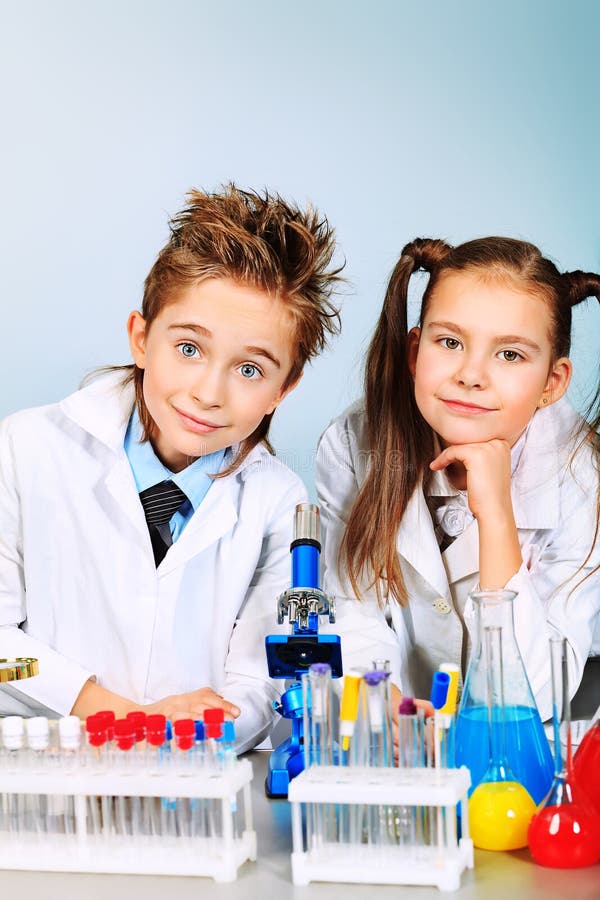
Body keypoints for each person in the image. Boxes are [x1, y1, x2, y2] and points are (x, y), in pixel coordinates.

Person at [0, 185, 342, 752]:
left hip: (192, 783)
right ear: (140, 338)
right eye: (189, 348)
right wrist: (129, 719)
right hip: (46, 777)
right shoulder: (24, 448)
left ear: (285, 388)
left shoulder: (278, 500)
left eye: (251, 370)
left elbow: (260, 682)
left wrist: (198, 731)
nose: (208, 392)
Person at [317, 236, 599, 722]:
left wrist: (497, 517)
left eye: (510, 355)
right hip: (402, 742)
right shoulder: (352, 442)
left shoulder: (582, 475)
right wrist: (386, 713)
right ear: (414, 350)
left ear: (552, 383)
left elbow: (532, 694)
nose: (471, 375)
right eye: (449, 342)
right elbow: (353, 614)